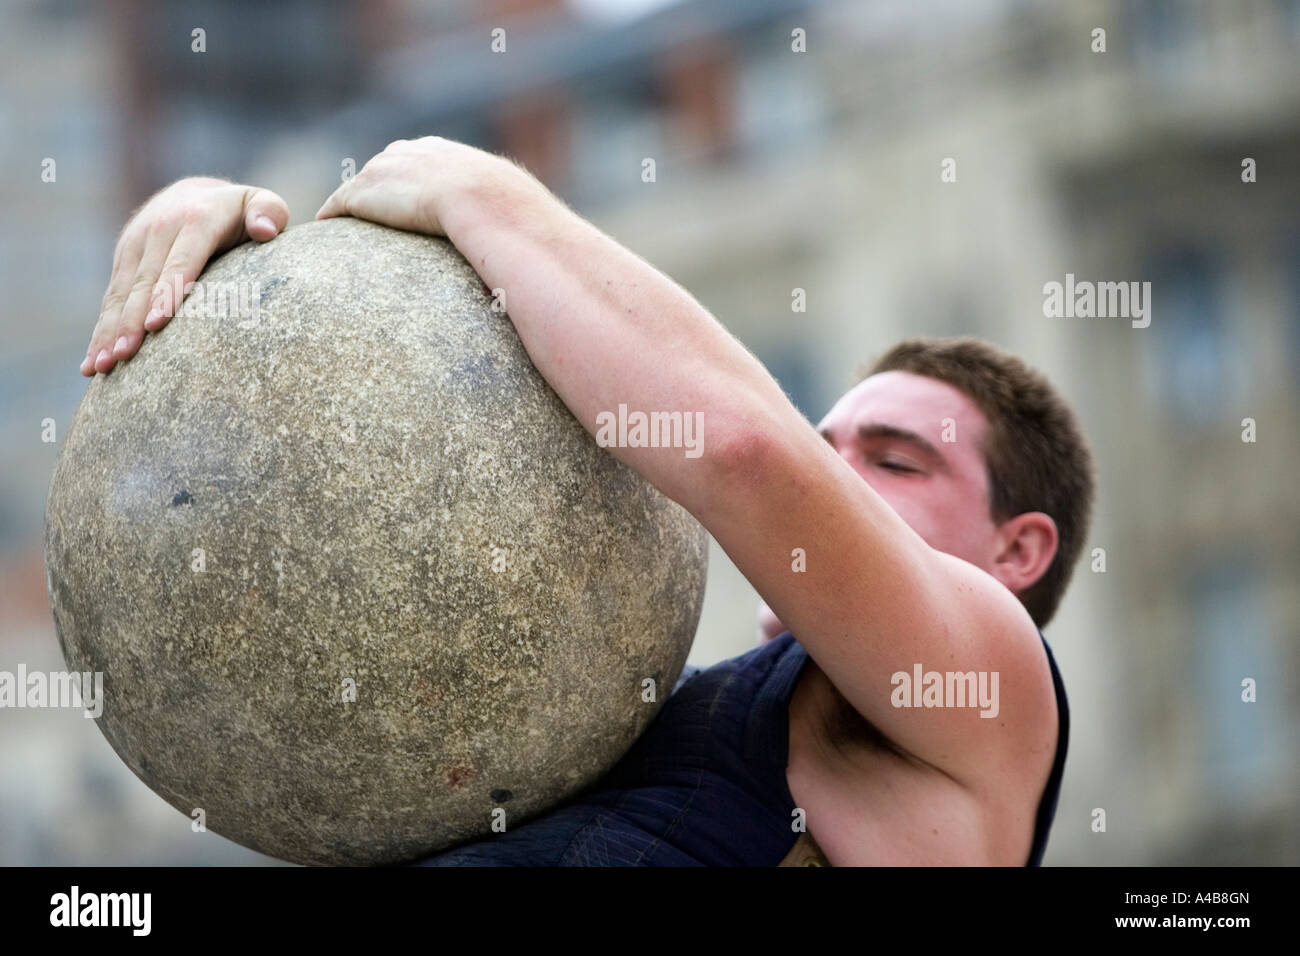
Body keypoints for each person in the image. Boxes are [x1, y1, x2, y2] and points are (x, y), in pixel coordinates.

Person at [84, 137, 1094, 866]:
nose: (833, 481)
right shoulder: (616, 710)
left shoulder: (991, 692)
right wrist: (222, 268)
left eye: (897, 460)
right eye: (826, 446)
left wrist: (486, 193)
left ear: (1019, 550)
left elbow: (742, 449)